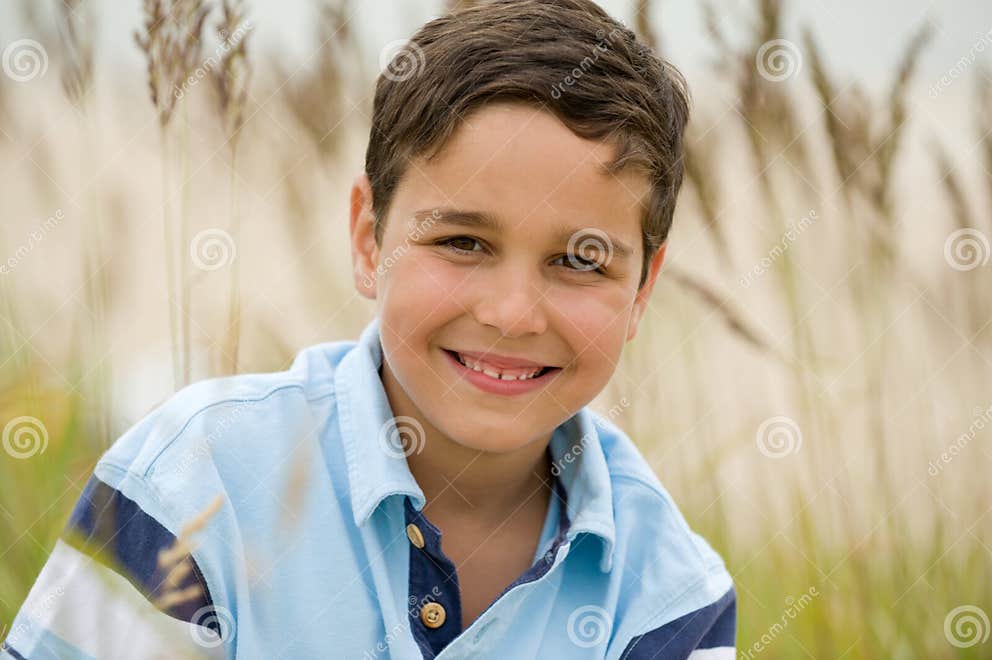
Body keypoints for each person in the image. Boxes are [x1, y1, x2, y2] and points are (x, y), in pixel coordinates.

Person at [1, 0, 735, 657]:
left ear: (643, 288)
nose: (513, 313)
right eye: (463, 243)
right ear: (366, 237)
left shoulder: (668, 599)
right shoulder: (199, 479)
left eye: (579, 260)